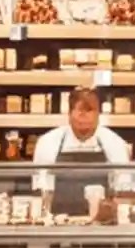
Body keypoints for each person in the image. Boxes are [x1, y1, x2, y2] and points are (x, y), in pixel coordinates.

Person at [32, 86, 129, 216]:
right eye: (79, 110)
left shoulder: (114, 143)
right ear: (69, 114)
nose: (83, 116)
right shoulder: (48, 142)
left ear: (98, 114)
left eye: (89, 110)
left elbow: (122, 187)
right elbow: (41, 188)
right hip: (58, 223)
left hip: (101, 224)